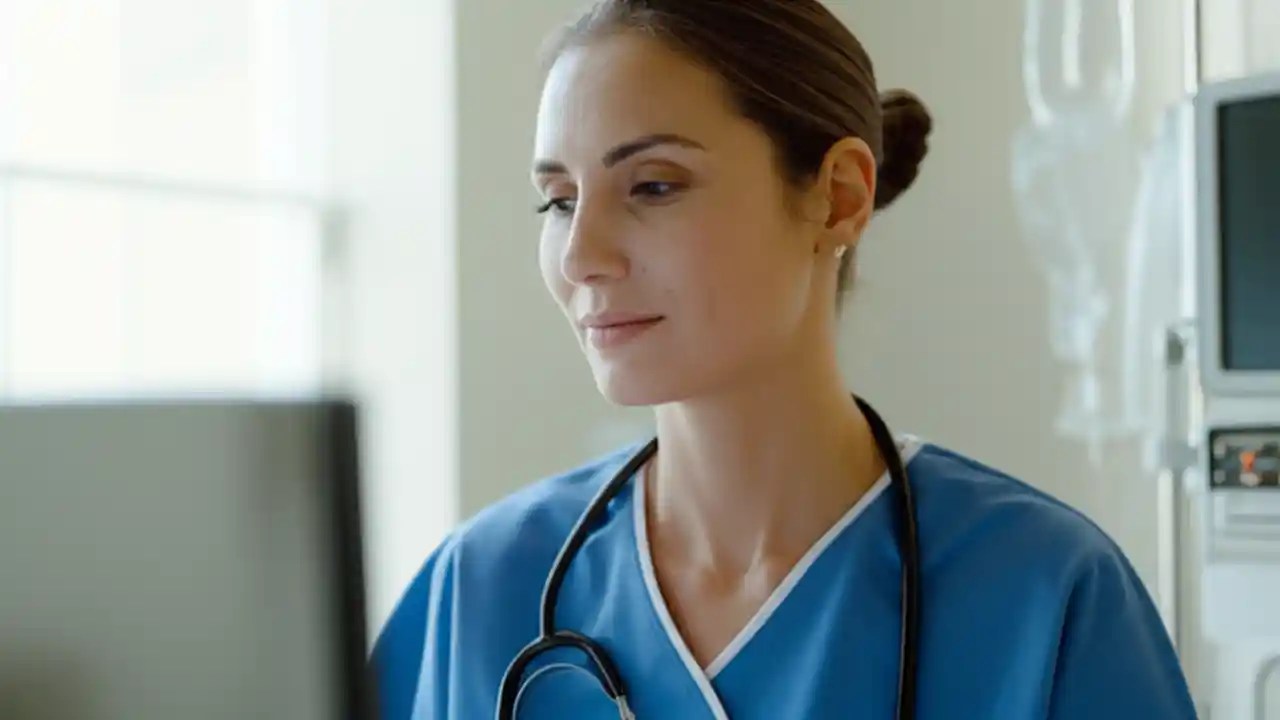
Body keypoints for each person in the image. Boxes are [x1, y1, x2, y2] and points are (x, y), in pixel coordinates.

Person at [371, 1, 1197, 718]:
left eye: (653, 186)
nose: (582, 253)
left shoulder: (1045, 597)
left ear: (838, 196)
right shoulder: (480, 589)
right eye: (558, 200)